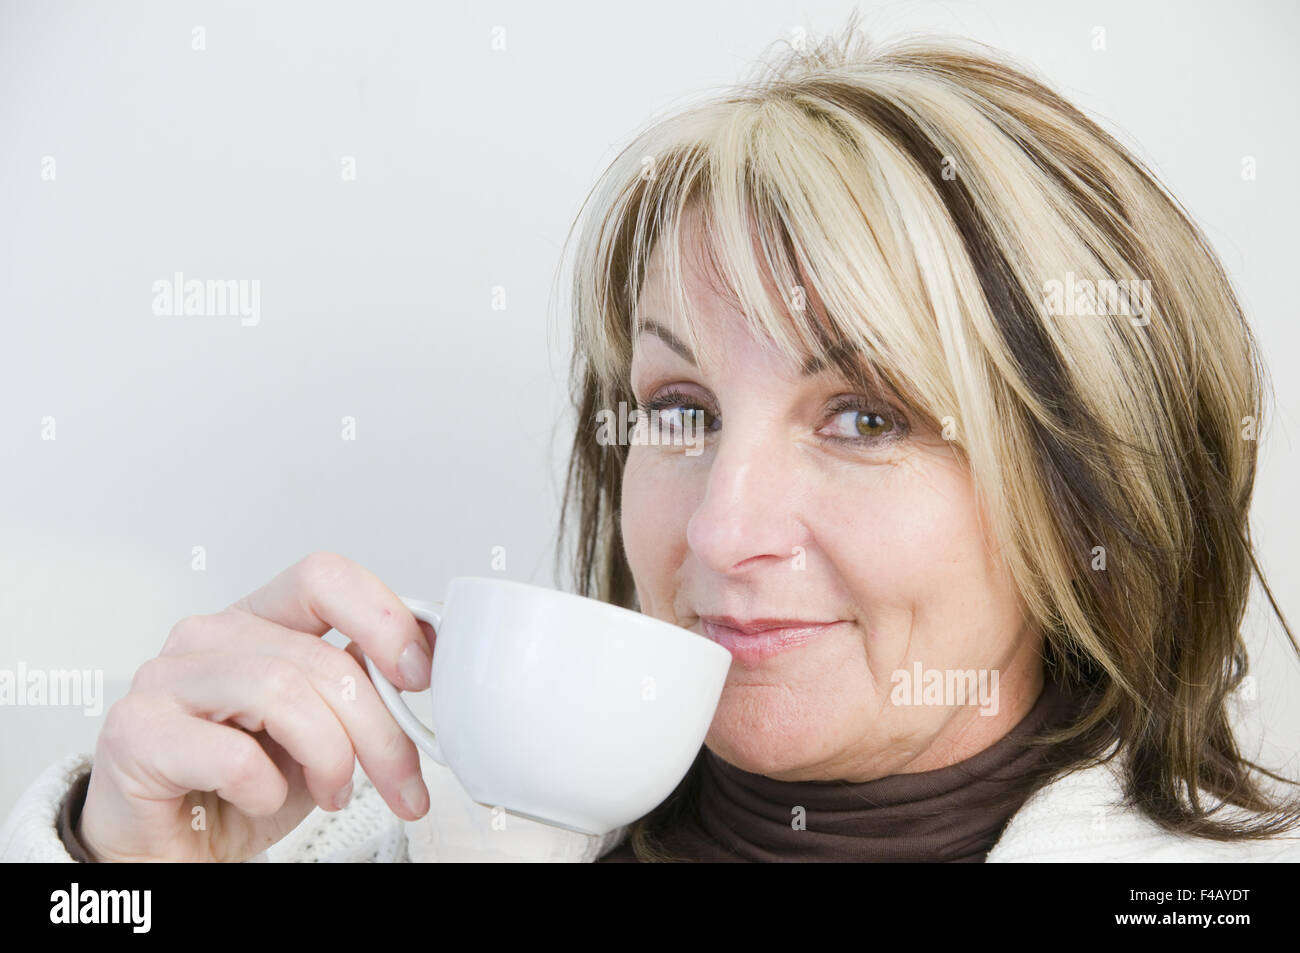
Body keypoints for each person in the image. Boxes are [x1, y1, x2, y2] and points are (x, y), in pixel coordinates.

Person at [4, 19, 1299, 862]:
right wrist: (116, 865)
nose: (722, 532)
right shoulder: (384, 839)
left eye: (864, 416)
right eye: (680, 413)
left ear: (1082, 508)